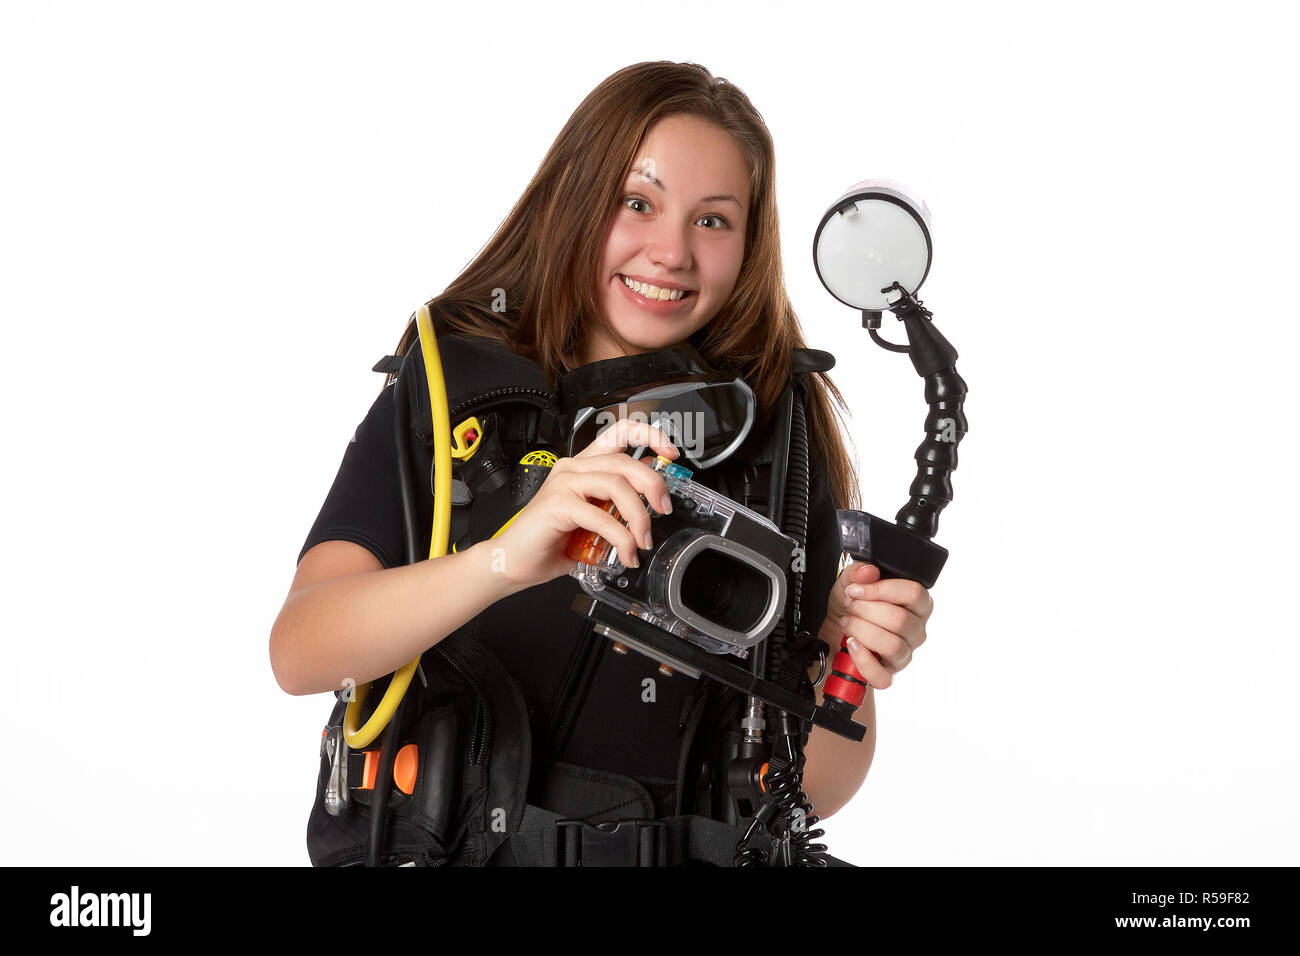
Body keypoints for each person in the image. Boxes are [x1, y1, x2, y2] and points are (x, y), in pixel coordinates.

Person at [270, 60, 935, 858]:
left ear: (751, 242)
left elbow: (811, 788)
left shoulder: (773, 440)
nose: (672, 253)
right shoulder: (455, 396)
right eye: (638, 203)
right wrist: (505, 560)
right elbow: (299, 649)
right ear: (578, 199)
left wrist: (839, 650)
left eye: (713, 220)